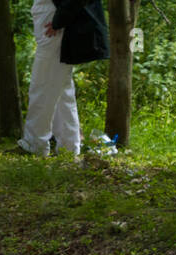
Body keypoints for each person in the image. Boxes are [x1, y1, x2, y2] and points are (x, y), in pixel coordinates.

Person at [17, 0, 108, 157]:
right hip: (53, 15)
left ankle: (35, 145)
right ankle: (69, 146)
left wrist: (59, 20)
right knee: (60, 87)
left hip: (54, 18)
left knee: (43, 85)